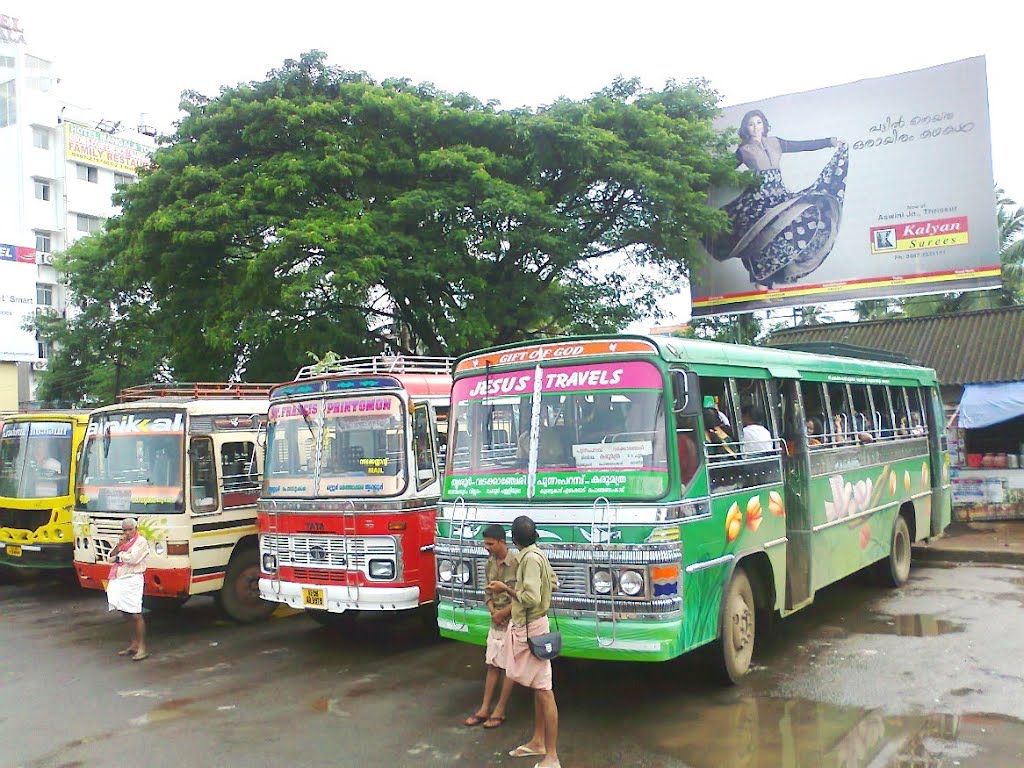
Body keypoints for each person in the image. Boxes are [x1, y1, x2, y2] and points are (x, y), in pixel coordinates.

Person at [712, 109, 849, 289]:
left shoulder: (776, 142)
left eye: (758, 123)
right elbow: (723, 171)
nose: (755, 127)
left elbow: (802, 145)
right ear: (746, 128)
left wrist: (829, 142)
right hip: (757, 198)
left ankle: (778, 275)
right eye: (751, 124)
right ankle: (761, 281)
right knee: (757, 237)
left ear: (764, 125)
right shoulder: (743, 150)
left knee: (792, 227)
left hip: (779, 195)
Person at [487, 516, 560, 768]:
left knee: (544, 691)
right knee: (537, 686)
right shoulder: (537, 554)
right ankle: (539, 741)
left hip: (532, 629)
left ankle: (551, 756)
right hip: (533, 625)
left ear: (514, 538)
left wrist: (505, 590)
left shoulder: (529, 559)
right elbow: (554, 582)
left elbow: (530, 596)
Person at [463, 524, 518, 730]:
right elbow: (487, 593)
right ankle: (485, 708)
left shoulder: (518, 563)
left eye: (490, 544)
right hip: (497, 619)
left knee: (509, 667)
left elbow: (523, 597)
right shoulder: (489, 564)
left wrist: (503, 613)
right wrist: (493, 612)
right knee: (492, 664)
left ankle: (500, 710)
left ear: (502, 542)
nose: (486, 547)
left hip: (513, 620)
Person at [106, 518, 150, 661]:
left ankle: (142, 647)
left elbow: (133, 559)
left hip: (133, 579)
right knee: (124, 611)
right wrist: (119, 547)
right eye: (124, 530)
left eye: (130, 529)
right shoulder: (122, 542)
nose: (127, 532)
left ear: (135, 528)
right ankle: (134, 644)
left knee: (136, 614)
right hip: (119, 578)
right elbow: (109, 558)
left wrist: (119, 557)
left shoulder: (141, 541)